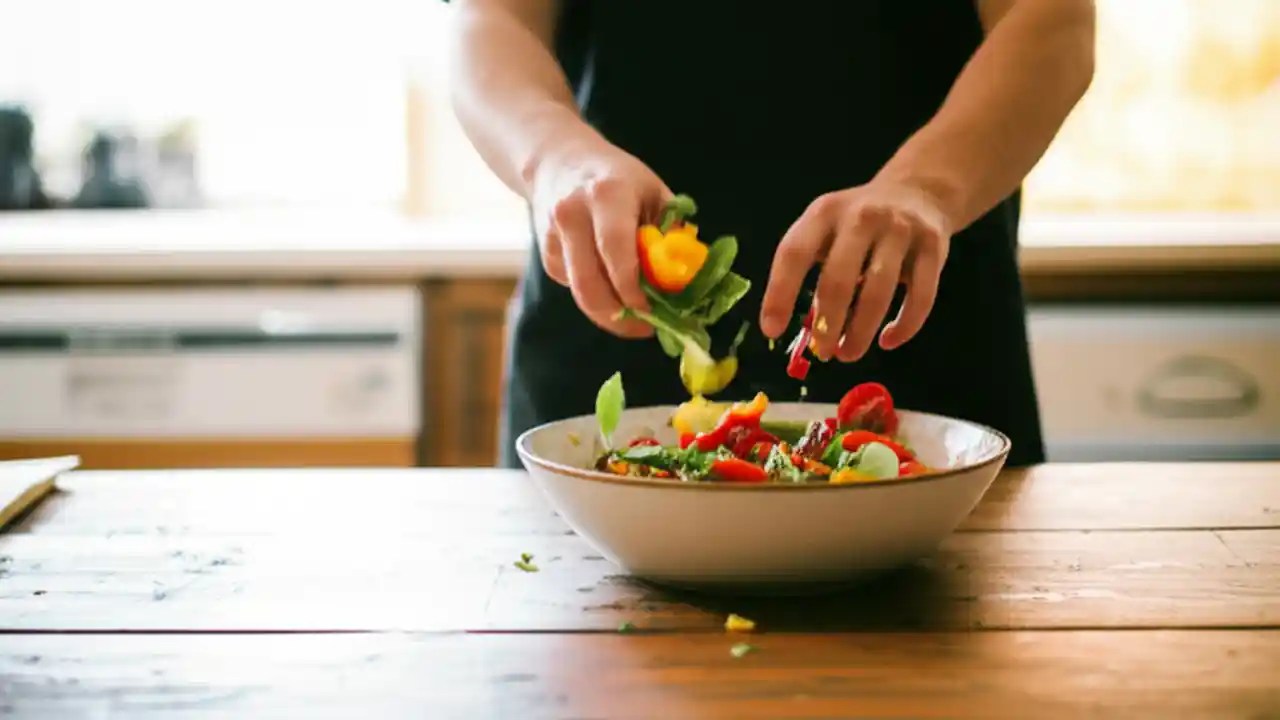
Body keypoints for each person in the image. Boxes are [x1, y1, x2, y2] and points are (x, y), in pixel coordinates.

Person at [447, 0, 1095, 469]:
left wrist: (926, 187)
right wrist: (556, 157)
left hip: (925, 356)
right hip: (604, 343)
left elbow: (1052, 22)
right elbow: (490, 19)